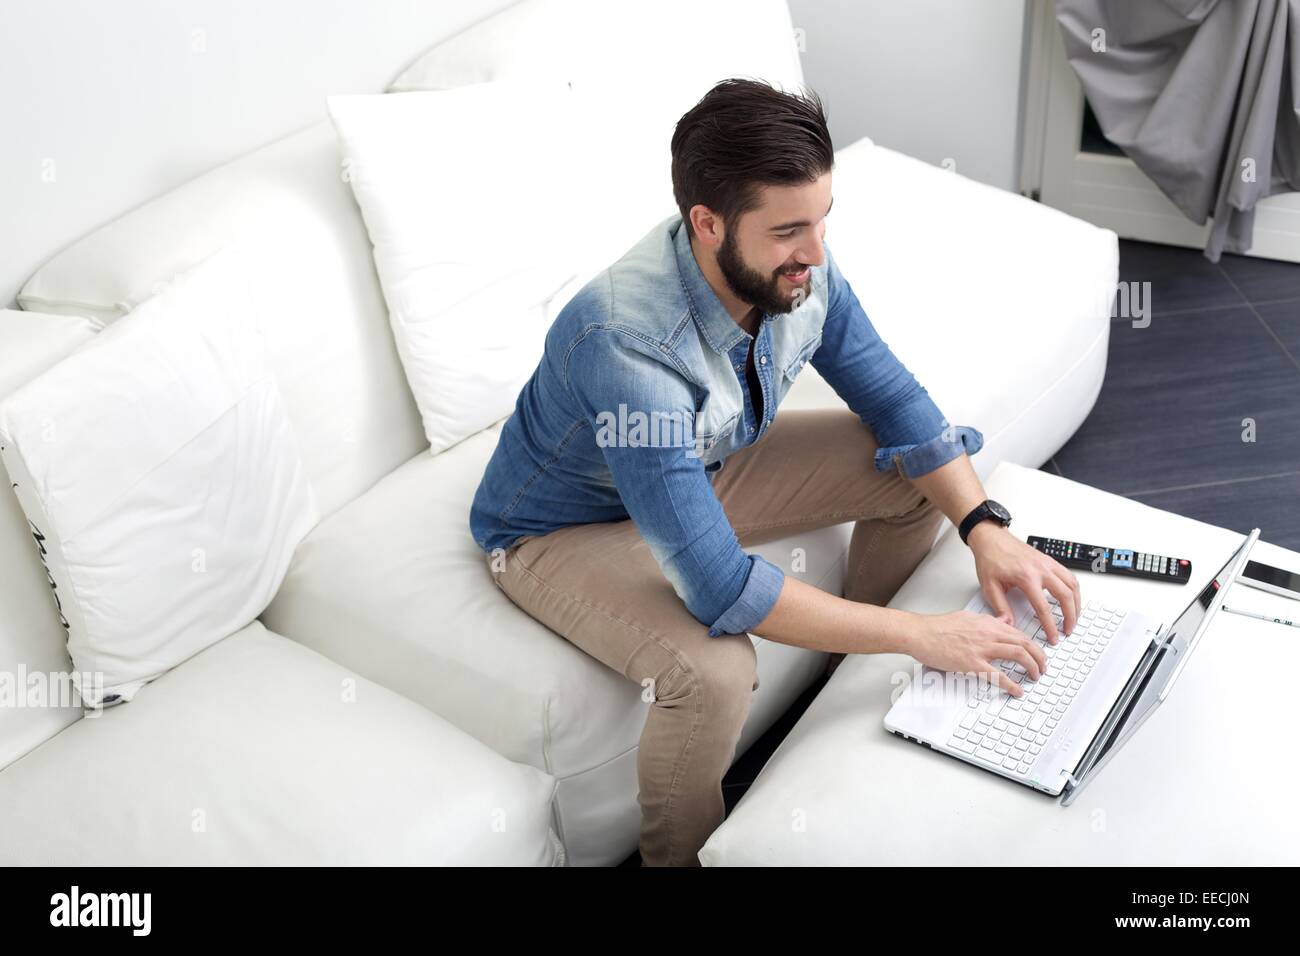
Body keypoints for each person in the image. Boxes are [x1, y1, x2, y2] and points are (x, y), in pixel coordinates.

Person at [469, 77, 1081, 867]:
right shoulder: (626, 344)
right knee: (716, 672)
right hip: (558, 530)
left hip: (699, 459)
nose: (818, 254)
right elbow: (720, 588)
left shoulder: (799, 268)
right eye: (791, 230)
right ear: (707, 224)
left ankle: (843, 721)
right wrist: (922, 636)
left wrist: (984, 528)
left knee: (908, 474)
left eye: (823, 221)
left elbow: (895, 401)